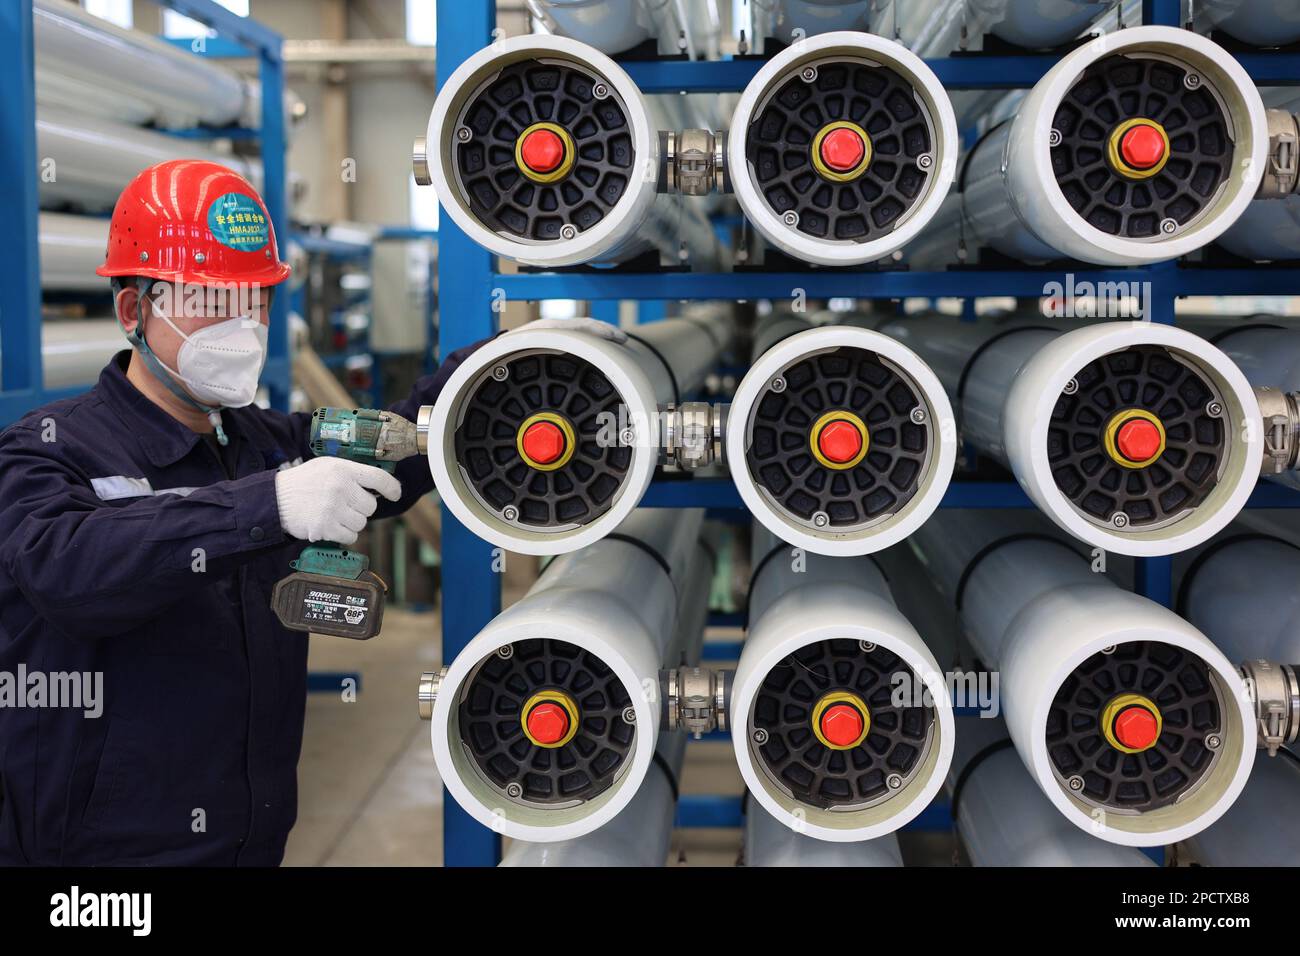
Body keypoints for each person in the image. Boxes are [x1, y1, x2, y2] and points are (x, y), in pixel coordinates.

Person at [0, 160, 479, 865]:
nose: (242, 326)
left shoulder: (262, 440)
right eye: (208, 298)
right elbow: (70, 569)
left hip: (247, 843)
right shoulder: (47, 451)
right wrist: (271, 502)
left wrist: (491, 369)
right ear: (134, 311)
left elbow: (393, 447)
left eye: (253, 299)